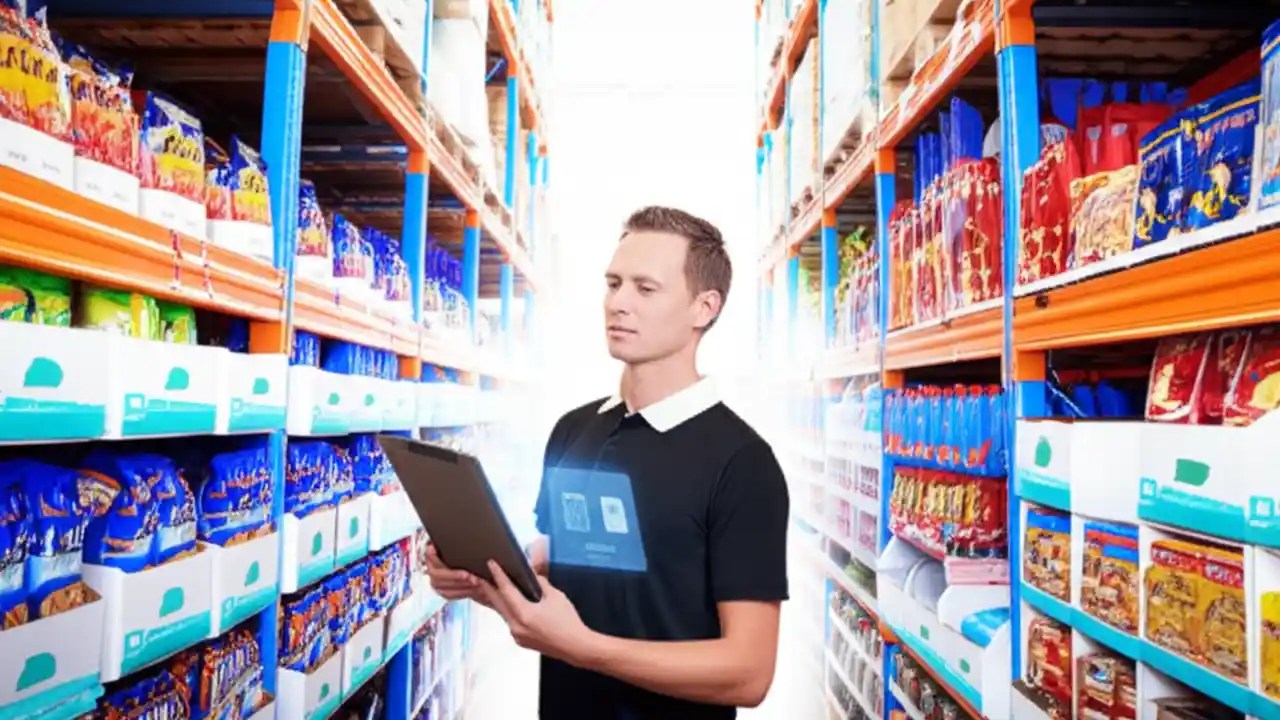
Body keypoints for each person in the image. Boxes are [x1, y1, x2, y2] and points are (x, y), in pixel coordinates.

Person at [425, 206, 790, 719]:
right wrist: (477, 579)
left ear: (703, 307)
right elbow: (562, 585)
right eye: (613, 283)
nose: (618, 303)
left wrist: (586, 648)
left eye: (645, 288)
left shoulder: (742, 463)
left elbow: (749, 672)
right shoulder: (573, 430)